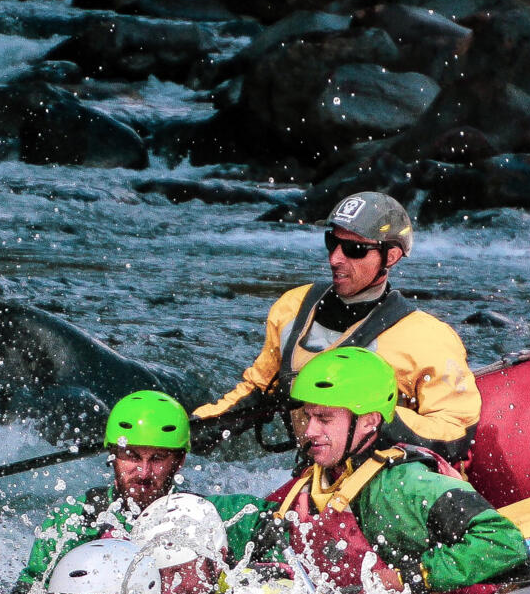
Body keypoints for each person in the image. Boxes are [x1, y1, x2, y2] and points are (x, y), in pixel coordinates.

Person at [260, 347, 526, 594]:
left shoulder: (403, 486)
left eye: (324, 418)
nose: (310, 430)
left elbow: (503, 542)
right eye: (307, 416)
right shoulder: (317, 478)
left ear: (367, 420)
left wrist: (411, 577)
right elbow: (260, 519)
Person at [193, 191, 481, 463]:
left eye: (355, 249)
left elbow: (456, 432)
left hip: (386, 474)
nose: (335, 259)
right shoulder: (292, 307)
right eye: (332, 242)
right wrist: (189, 431)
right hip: (312, 470)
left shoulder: (427, 337)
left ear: (390, 256)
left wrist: (373, 419)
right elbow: (257, 390)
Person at [5, 390, 264, 594]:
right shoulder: (75, 519)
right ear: (113, 455)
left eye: (158, 458)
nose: (143, 471)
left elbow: (266, 520)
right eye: (132, 456)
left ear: (180, 460)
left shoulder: (204, 515)